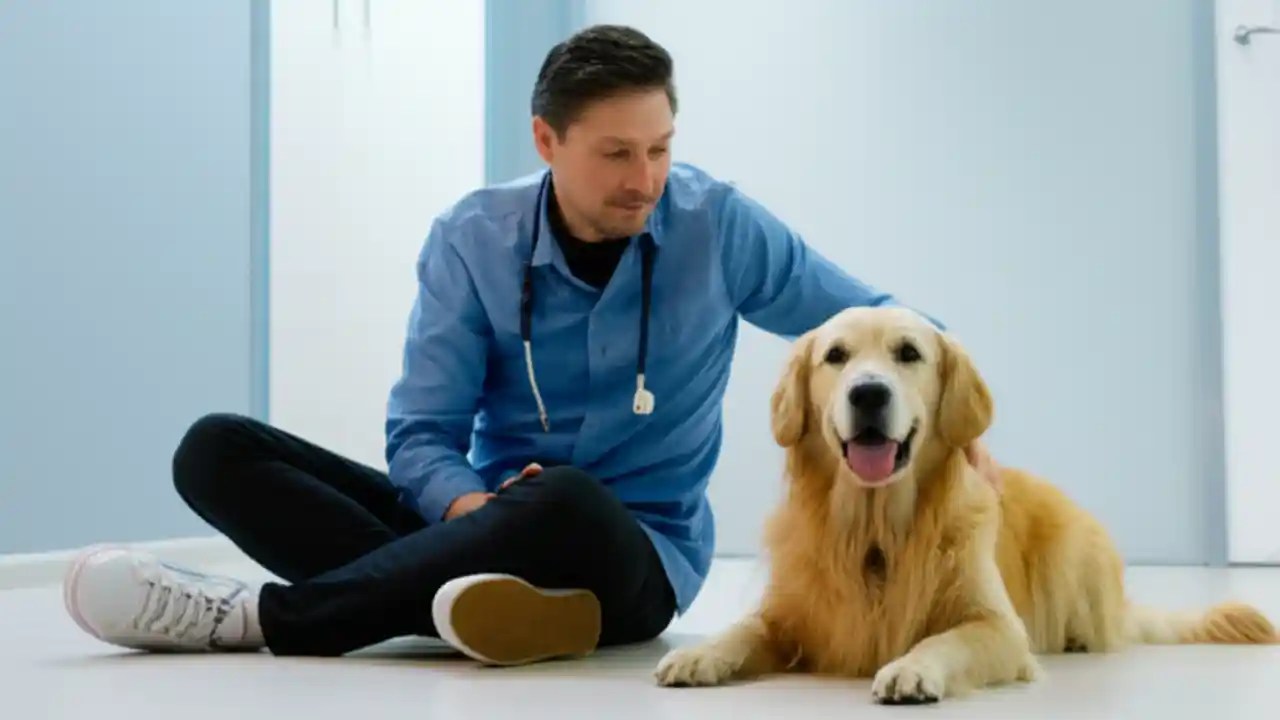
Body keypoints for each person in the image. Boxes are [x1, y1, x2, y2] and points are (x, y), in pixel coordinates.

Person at [62, 24, 1000, 665]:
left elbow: (885, 318)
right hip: (481, 520)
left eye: (661, 148)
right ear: (547, 140)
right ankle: (464, 609)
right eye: (617, 154)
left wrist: (950, 424)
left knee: (567, 500)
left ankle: (262, 620)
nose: (647, 180)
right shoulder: (472, 239)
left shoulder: (721, 227)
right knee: (216, 449)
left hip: (632, 558)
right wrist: (468, 506)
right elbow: (422, 432)